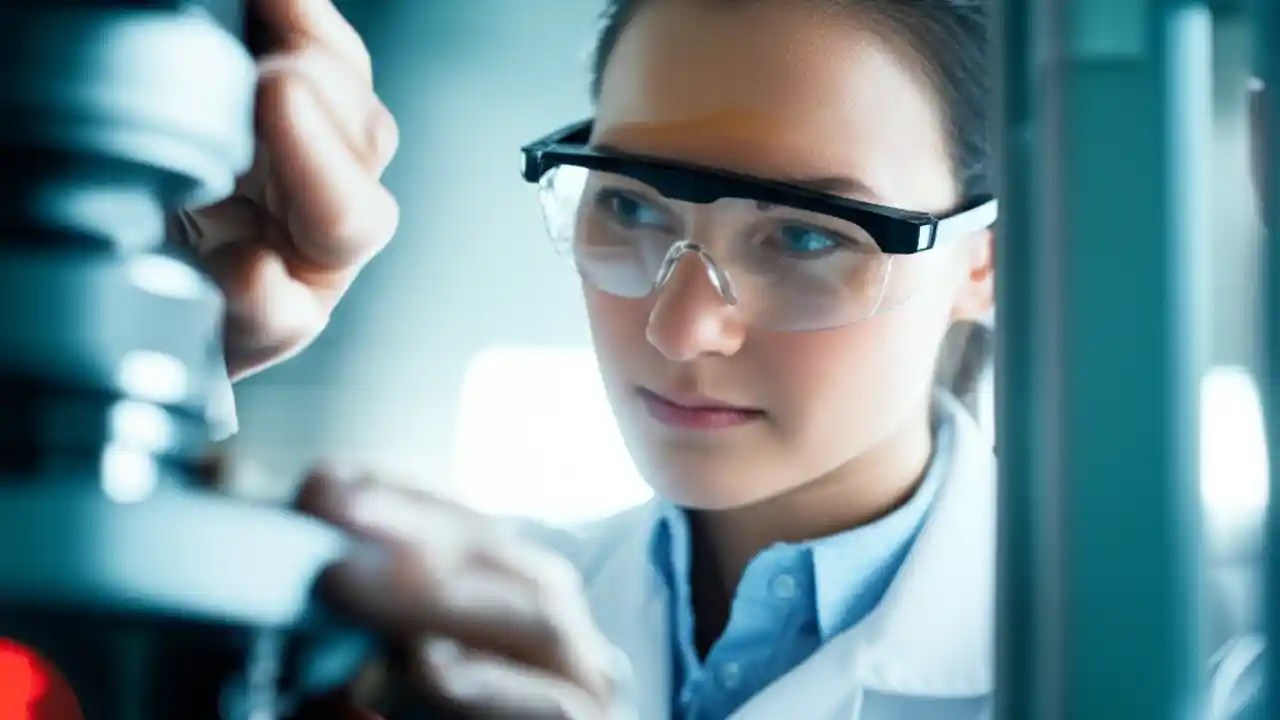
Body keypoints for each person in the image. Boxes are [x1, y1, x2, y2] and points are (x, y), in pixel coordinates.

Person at [183, 0, 1269, 718]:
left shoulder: (1200, 675)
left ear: (986, 259)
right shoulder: (436, 636)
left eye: (805, 236)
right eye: (630, 206)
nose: (680, 329)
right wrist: (174, 355)